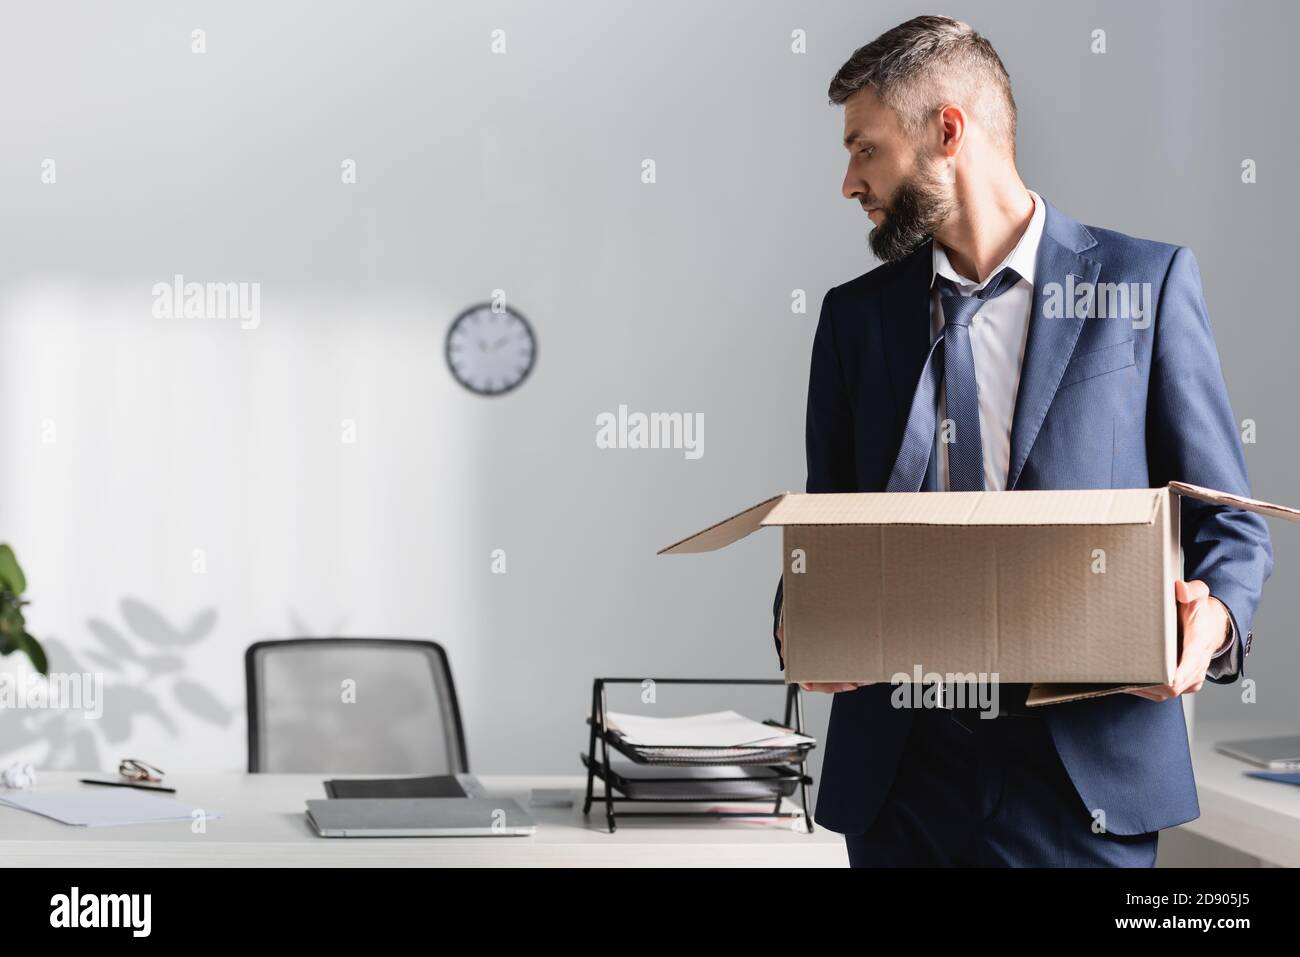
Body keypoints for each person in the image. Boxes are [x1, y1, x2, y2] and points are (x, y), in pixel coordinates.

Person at [772, 15, 1272, 867]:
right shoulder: (854, 320)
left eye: (866, 149)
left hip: (1083, 778)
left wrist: (1213, 619)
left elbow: (1232, 525)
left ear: (948, 131)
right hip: (902, 777)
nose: (849, 182)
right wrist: (804, 620)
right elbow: (822, 532)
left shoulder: (1142, 286)